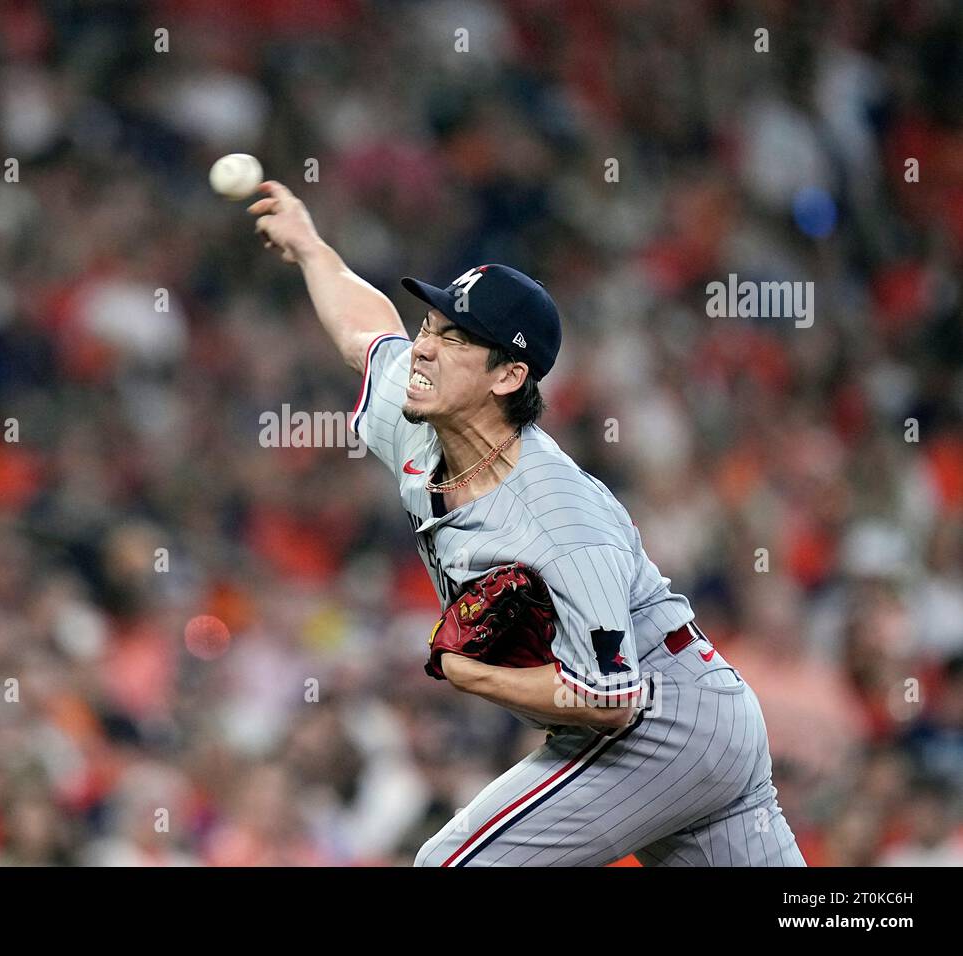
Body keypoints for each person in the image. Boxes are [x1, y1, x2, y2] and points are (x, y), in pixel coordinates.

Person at [249, 181, 806, 866]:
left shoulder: (559, 517)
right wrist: (310, 247)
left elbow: (612, 699)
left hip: (662, 721)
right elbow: (366, 334)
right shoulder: (422, 411)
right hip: (703, 727)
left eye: (454, 338)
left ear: (509, 376)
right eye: (432, 325)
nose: (424, 347)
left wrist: (472, 675)